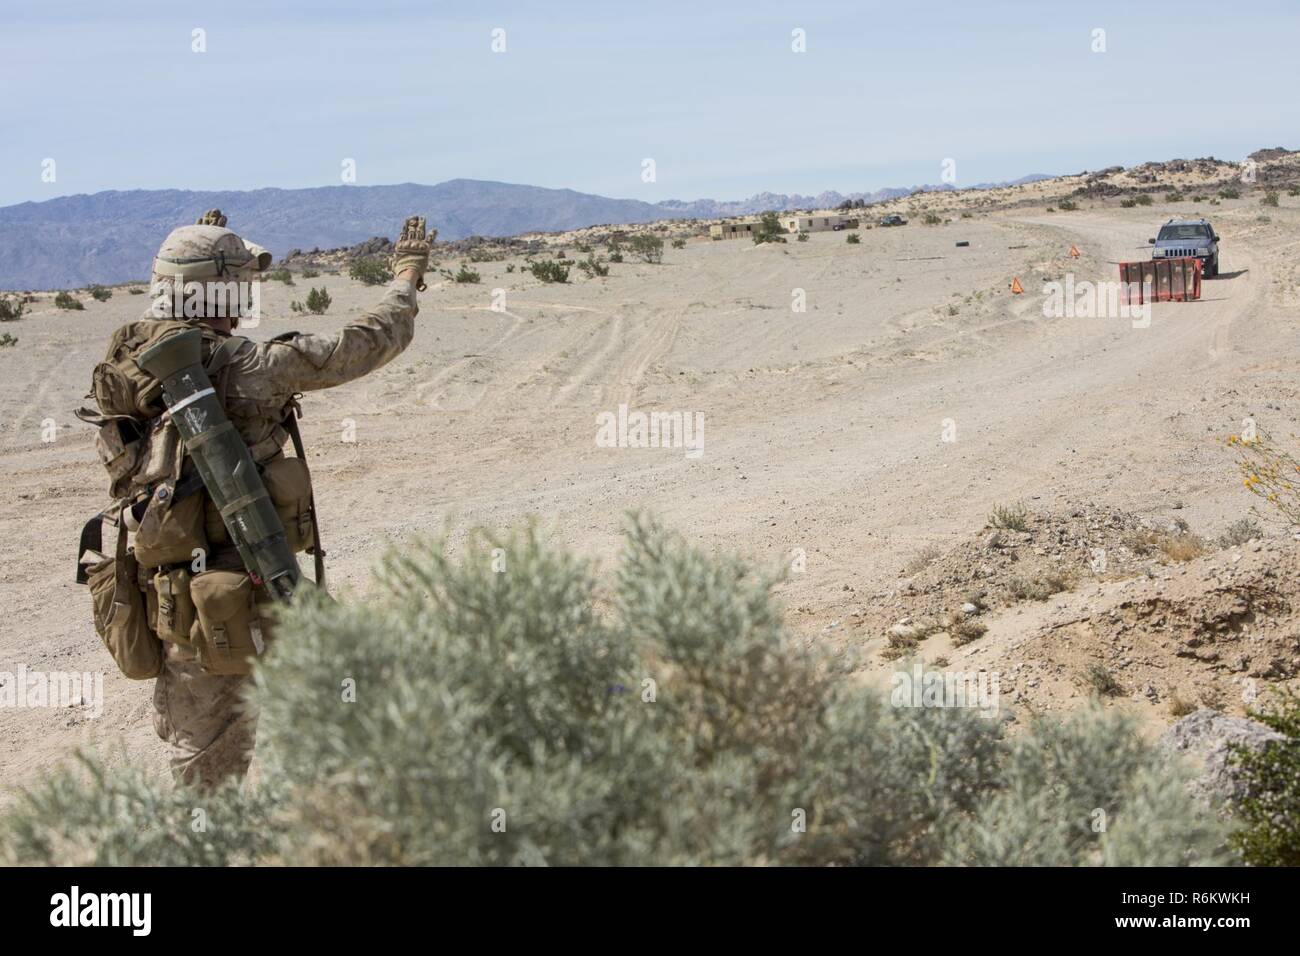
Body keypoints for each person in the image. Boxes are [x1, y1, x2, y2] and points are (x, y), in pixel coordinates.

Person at [83, 209, 434, 789]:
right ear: (209, 291)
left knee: (201, 767)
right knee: (352, 721)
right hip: (250, 593)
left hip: (174, 603)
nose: (247, 295)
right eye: (237, 283)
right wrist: (405, 280)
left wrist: (197, 249)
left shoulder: (123, 360)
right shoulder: (242, 366)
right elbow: (363, 344)